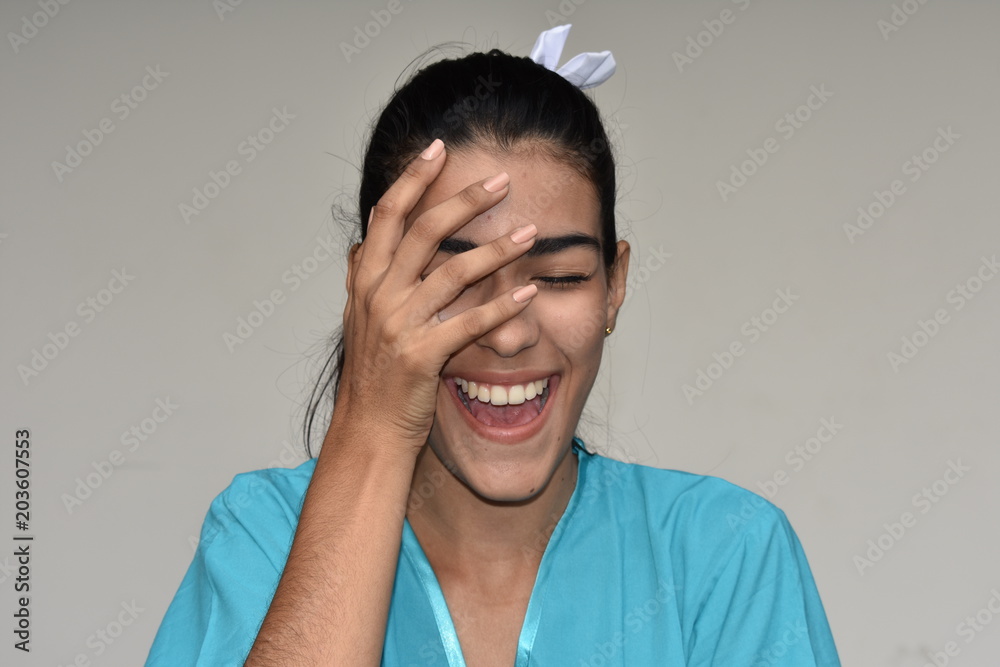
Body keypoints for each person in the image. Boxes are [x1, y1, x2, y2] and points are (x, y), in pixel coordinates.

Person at [146, 25, 841, 666]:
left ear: (614, 286)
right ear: (368, 290)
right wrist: (374, 426)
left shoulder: (725, 555)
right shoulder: (261, 539)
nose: (508, 330)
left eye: (562, 276)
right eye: (452, 277)